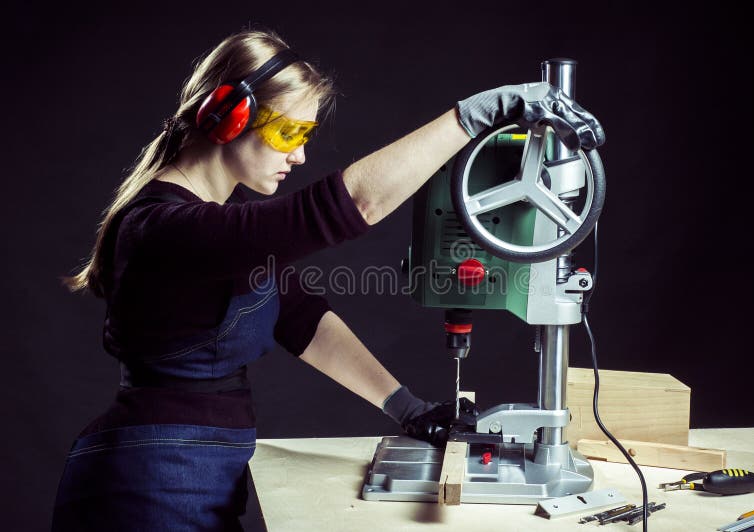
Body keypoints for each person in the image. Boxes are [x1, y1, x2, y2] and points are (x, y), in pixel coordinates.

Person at [53, 29, 604, 531]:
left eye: (307, 134)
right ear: (227, 117)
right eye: (288, 131)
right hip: (142, 489)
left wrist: (406, 407)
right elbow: (349, 204)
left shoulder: (214, 224)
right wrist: (474, 115)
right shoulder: (168, 228)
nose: (299, 154)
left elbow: (299, 318)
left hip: (195, 475)